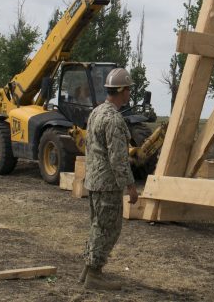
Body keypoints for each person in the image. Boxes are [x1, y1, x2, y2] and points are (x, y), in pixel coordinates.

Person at [79, 67, 139, 291]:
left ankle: (88, 269)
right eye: (129, 89)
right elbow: (118, 159)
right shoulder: (113, 119)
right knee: (108, 229)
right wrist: (131, 187)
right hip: (107, 184)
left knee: (97, 226)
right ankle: (94, 274)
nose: (130, 93)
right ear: (122, 91)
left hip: (94, 181)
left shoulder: (96, 112)